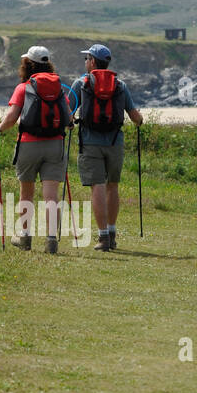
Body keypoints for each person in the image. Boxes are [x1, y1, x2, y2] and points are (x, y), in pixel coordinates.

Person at [0, 45, 72, 253]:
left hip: (28, 143)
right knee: (51, 194)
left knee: (26, 192)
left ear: (28, 64)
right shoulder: (58, 87)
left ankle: (25, 238)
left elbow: (11, 119)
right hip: (55, 144)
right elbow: (68, 118)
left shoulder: (23, 87)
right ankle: (52, 240)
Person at [67, 43, 143, 251]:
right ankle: (111, 232)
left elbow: (67, 112)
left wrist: (70, 121)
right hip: (114, 143)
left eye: (86, 58)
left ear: (92, 61)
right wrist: (140, 121)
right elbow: (136, 117)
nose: (85, 62)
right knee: (112, 186)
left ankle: (102, 238)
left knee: (97, 187)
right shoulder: (120, 85)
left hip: (90, 143)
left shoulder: (80, 83)